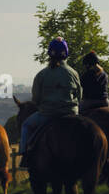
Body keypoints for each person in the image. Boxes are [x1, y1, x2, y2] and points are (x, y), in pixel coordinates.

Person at [18, 38, 82, 167]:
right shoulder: (73, 73)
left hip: (48, 114)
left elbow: (36, 99)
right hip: (71, 113)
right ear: (66, 53)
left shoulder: (41, 75)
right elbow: (79, 96)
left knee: (26, 126)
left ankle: (24, 155)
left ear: (49, 53)